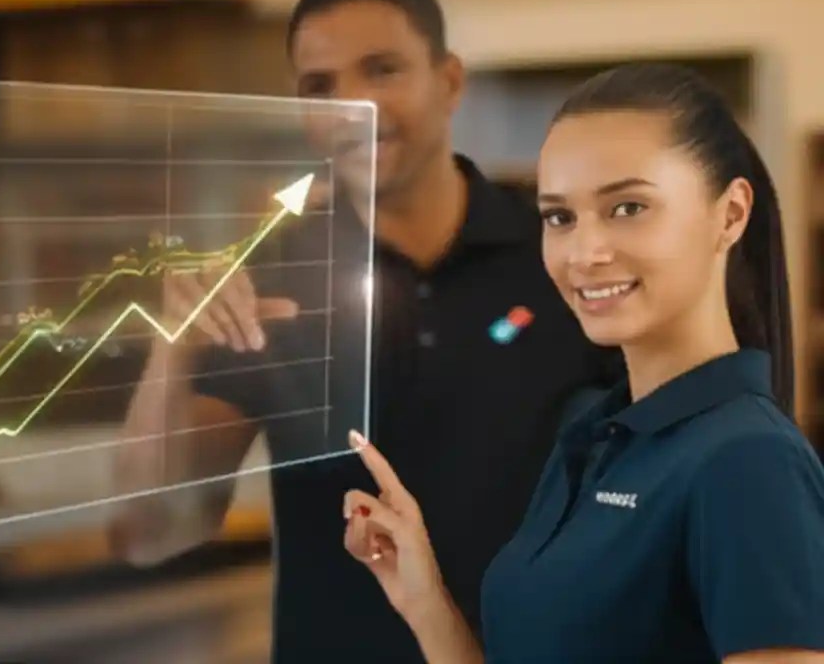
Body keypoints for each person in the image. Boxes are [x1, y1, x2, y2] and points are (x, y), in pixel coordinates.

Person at [108, 0, 620, 662]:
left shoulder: (560, 256)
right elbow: (153, 533)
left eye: (382, 70)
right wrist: (173, 348)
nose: (354, 106)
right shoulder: (270, 282)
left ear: (449, 82)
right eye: (321, 87)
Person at [344, 62, 824, 663]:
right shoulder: (594, 436)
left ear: (729, 214)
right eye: (559, 217)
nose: (585, 253)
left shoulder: (748, 461)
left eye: (627, 208)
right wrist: (423, 596)